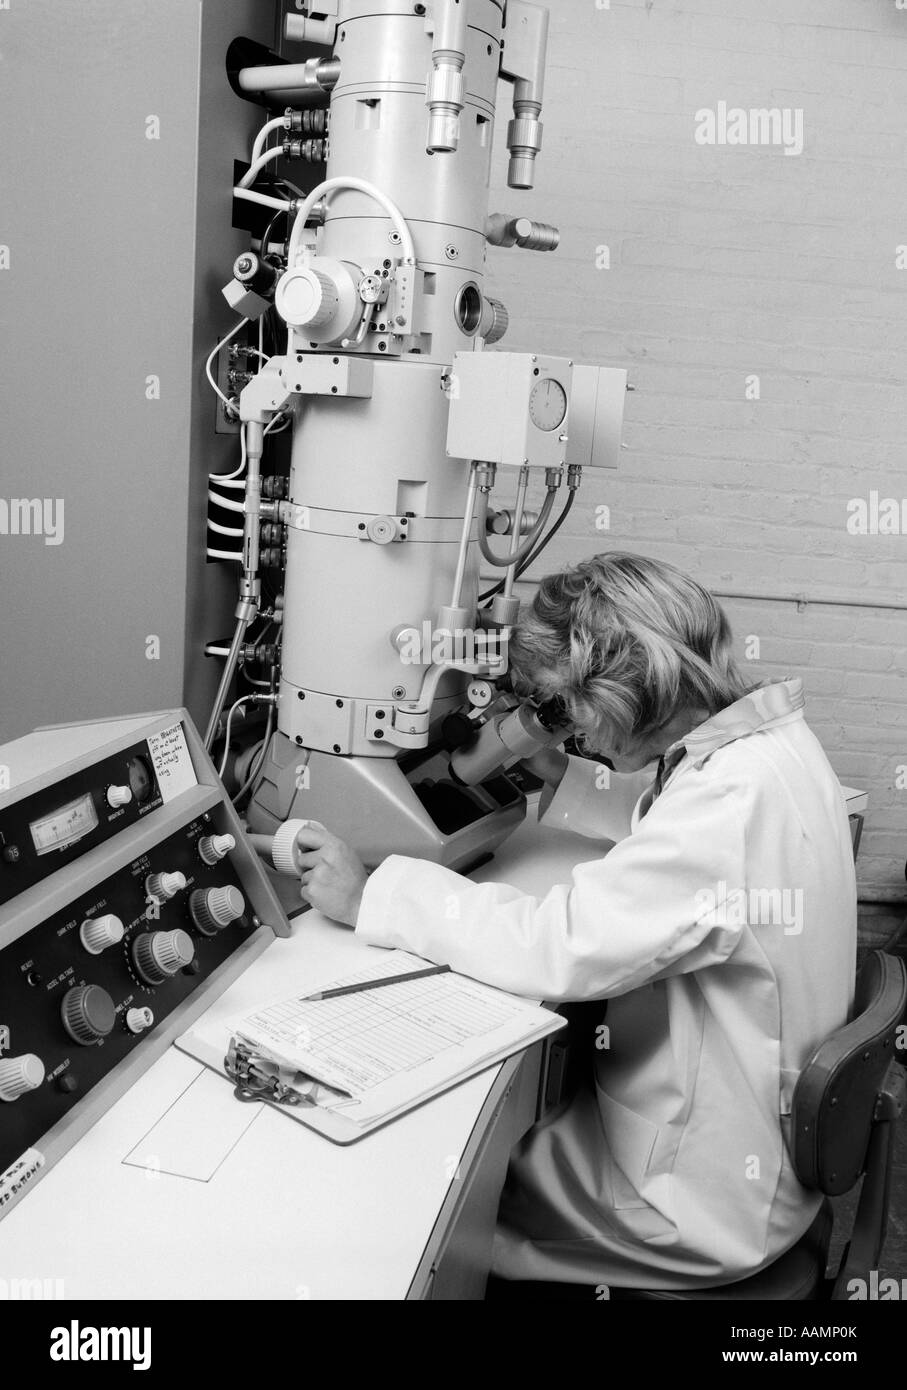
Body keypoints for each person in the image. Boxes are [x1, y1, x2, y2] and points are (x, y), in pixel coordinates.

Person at [288, 553, 857, 1293]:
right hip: (757, 1148)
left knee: (446, 1198)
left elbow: (558, 945)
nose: (569, 733)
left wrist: (373, 897)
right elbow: (667, 825)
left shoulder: (724, 809)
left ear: (623, 684)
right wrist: (564, 777)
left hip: (692, 1202)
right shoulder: (769, 745)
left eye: (564, 707)